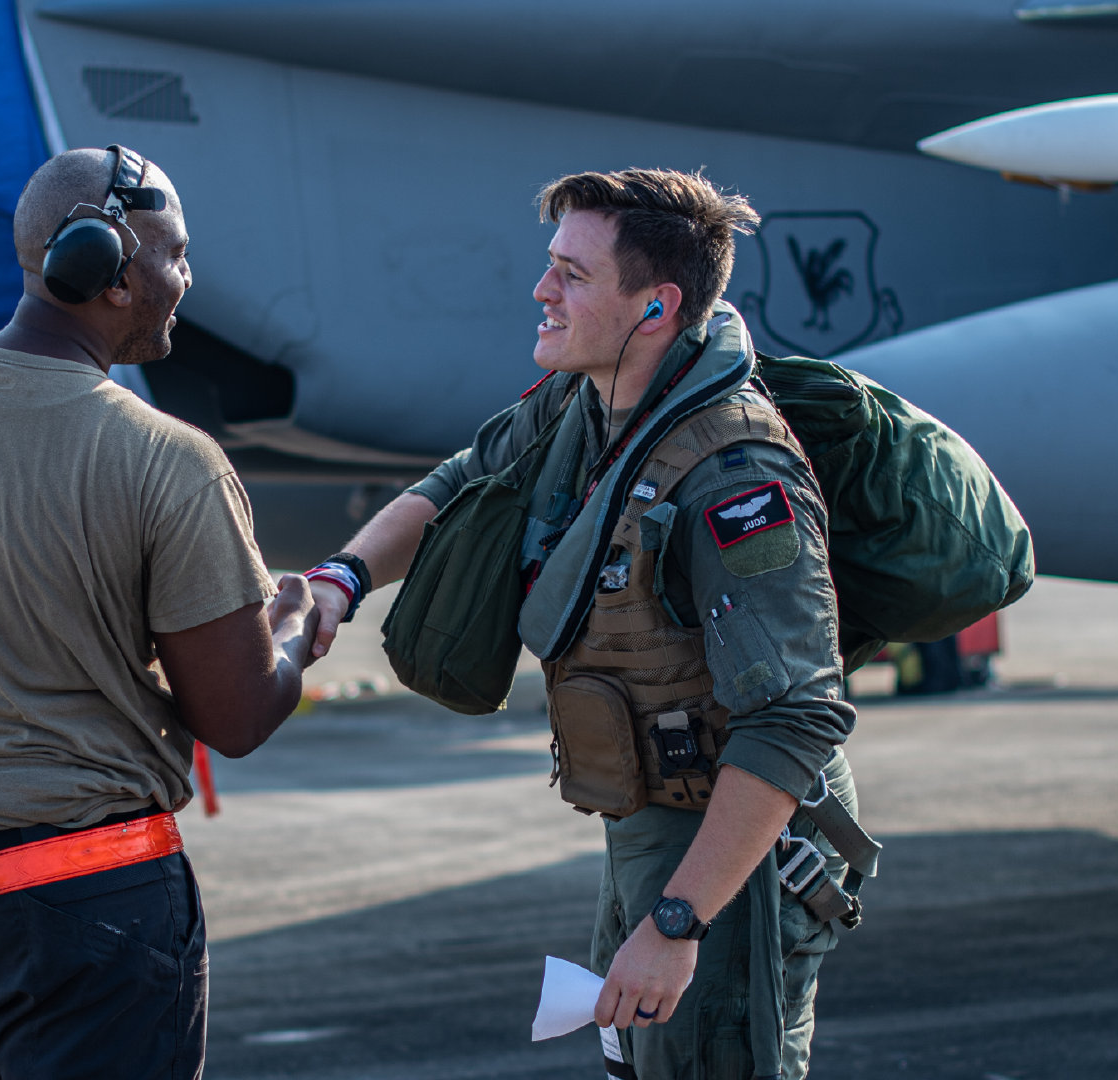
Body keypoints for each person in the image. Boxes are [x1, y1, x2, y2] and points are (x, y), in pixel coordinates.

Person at [307, 169, 862, 1080]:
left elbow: (796, 717)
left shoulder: (736, 477)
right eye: (550, 265)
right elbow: (462, 480)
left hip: (733, 855)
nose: (542, 290)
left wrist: (678, 923)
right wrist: (340, 580)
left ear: (655, 308)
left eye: (572, 273)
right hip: (647, 821)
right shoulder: (582, 402)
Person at [0, 146, 318, 1080]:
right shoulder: (167, 459)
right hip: (89, 901)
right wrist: (294, 634)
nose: (186, 279)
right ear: (107, 268)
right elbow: (235, 719)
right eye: (176, 254)